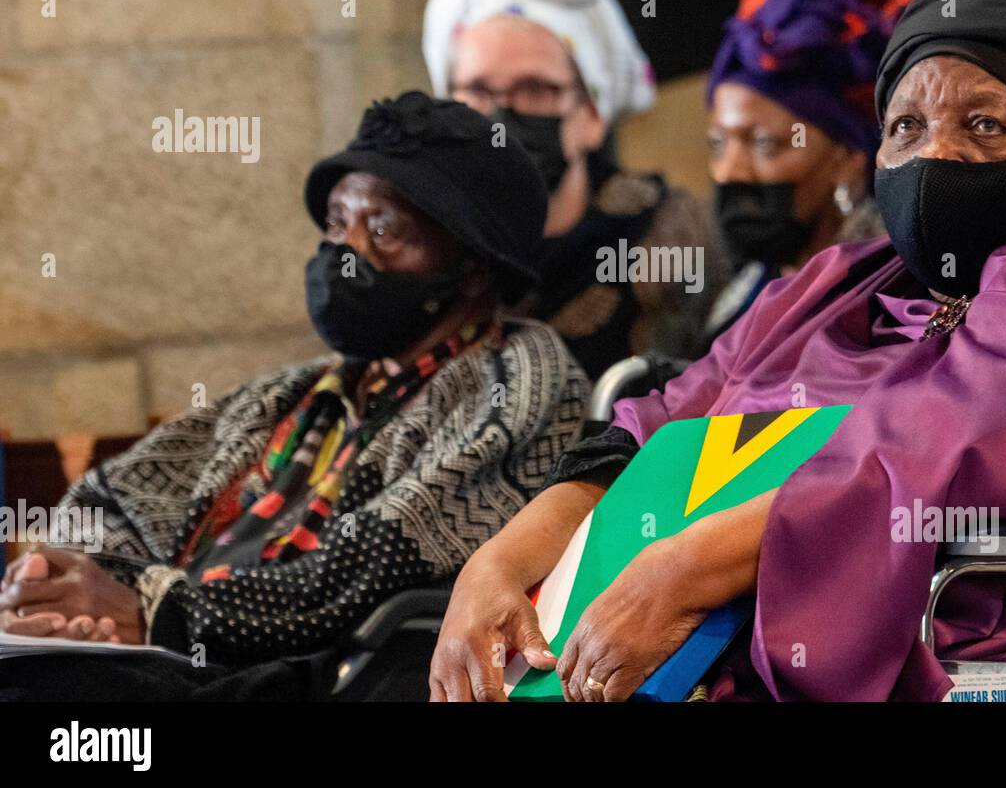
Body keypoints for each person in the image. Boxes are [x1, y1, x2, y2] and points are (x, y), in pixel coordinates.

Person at [427, 0, 1006, 702]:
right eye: (905, 128)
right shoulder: (843, 282)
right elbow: (664, 420)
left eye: (985, 127)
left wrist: (684, 570)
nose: (935, 155)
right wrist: (500, 561)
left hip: (981, 657)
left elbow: (929, 451)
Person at [0, 94, 588, 700]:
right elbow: (113, 498)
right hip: (181, 654)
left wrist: (160, 609)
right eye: (337, 221)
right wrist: (65, 586)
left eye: (383, 231)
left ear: (472, 268)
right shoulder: (302, 390)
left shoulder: (518, 379)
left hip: (320, 672)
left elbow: (380, 565)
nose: (344, 251)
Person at [424, 0, 724, 380]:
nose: (503, 117)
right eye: (478, 92)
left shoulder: (670, 238)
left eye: (535, 90)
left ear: (591, 115)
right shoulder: (425, 247)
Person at [703, 0, 913, 344]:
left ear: (849, 158)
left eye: (764, 143)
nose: (730, 172)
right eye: (718, 144)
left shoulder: (894, 295)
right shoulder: (743, 290)